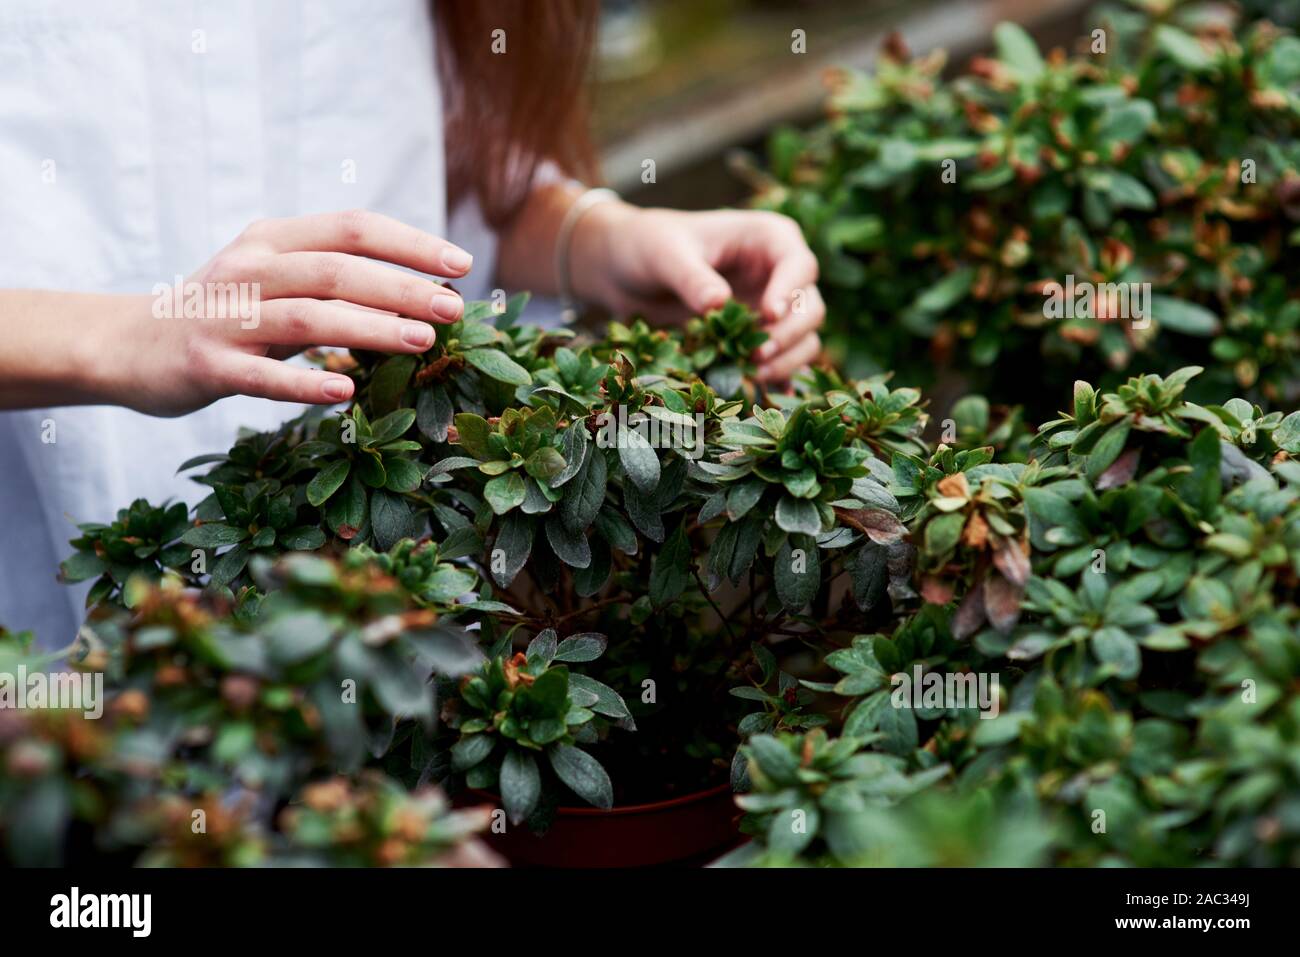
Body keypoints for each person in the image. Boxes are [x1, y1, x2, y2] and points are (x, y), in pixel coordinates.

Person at [0, 0, 824, 647]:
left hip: (404, 611)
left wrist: (599, 240)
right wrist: (118, 335)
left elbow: (451, 182)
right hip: (56, 650)